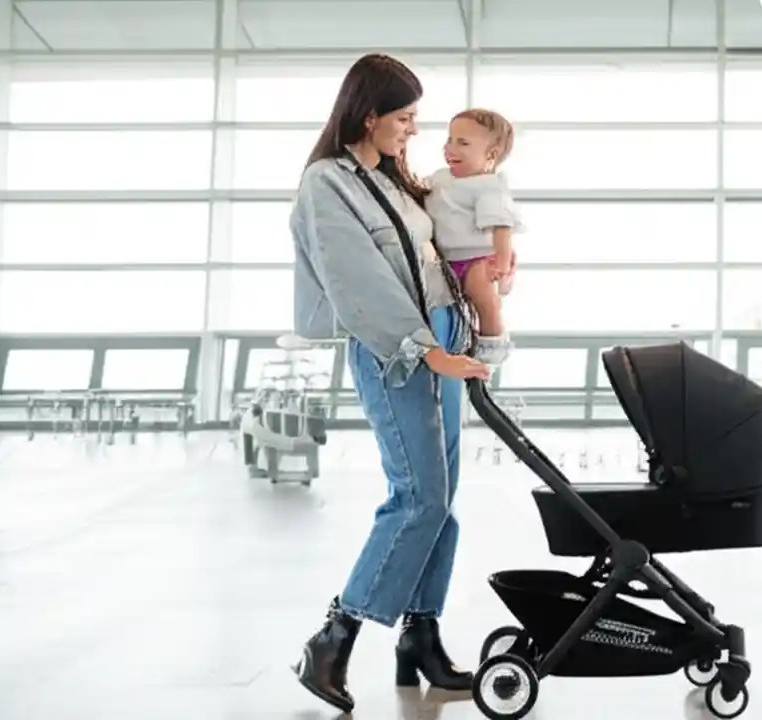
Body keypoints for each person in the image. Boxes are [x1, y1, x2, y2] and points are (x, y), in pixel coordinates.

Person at [288, 53, 490, 715]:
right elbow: (356, 282)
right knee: (419, 497)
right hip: (399, 350)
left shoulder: (397, 181)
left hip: (444, 340)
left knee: (444, 499)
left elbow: (436, 253)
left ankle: (420, 638)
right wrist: (424, 349)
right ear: (368, 114)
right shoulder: (328, 183)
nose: (413, 129)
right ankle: (333, 637)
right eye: (404, 117)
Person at [424, 108, 524, 366]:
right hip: (444, 261)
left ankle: (493, 342)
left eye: (463, 143)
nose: (451, 148)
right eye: (449, 140)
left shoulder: (488, 185)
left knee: (484, 297)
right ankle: (459, 340)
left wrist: (501, 262)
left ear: (491, 154)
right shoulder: (441, 177)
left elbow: (501, 225)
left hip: (477, 258)